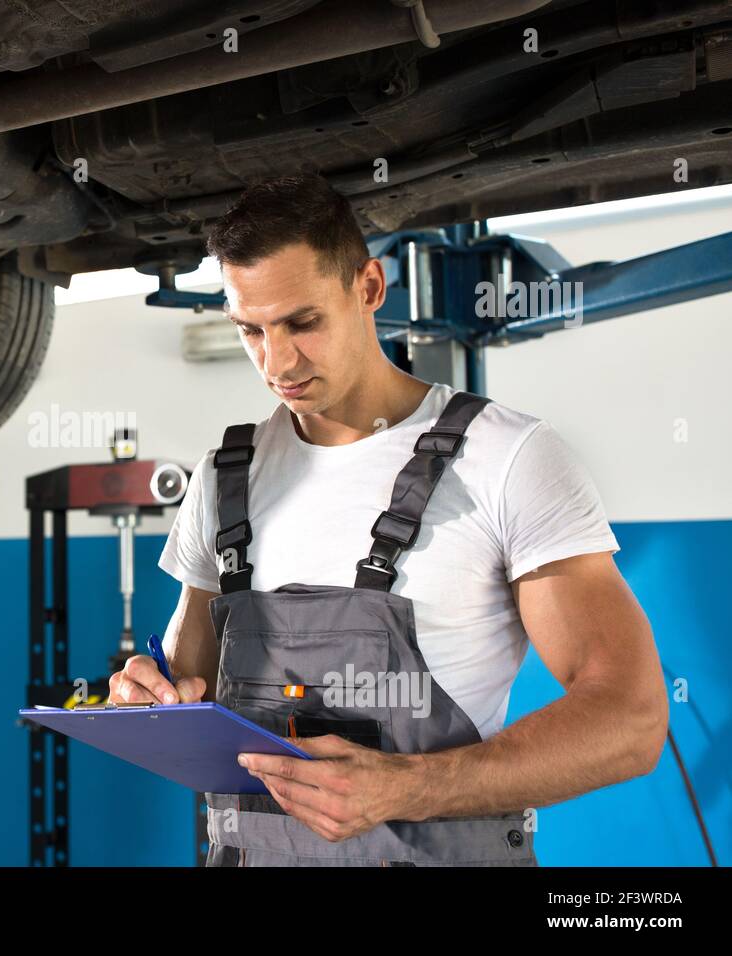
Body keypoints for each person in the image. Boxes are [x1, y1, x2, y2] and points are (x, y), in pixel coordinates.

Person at [108, 173, 667, 866]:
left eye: (302, 323)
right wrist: (147, 694)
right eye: (249, 329)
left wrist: (407, 787)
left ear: (369, 287)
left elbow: (631, 720)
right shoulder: (227, 473)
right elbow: (189, 683)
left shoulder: (508, 458)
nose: (276, 361)